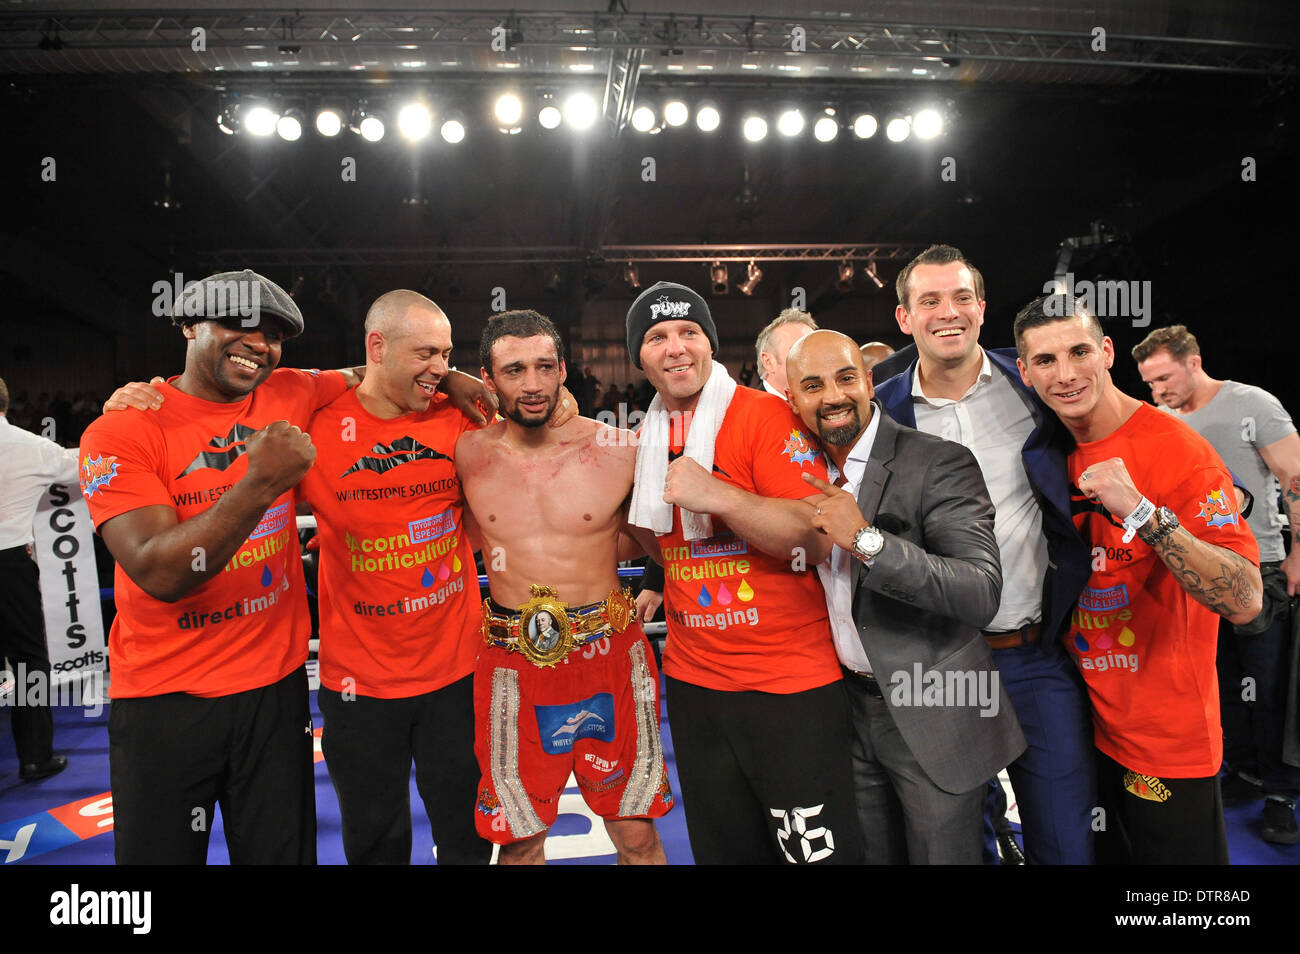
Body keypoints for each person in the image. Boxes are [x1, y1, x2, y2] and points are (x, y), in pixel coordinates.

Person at [79, 270, 351, 864]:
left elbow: (376, 376)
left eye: (274, 334)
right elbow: (159, 571)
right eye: (238, 324)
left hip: (274, 695)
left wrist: (456, 381)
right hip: (165, 702)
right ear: (187, 325)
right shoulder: (121, 430)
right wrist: (260, 483)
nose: (260, 343)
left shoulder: (289, 391)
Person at [1014, 294, 1262, 864]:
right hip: (1084, 730)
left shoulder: (1177, 450)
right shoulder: (1048, 453)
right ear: (1024, 373)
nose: (1067, 374)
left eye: (1079, 352)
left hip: (1166, 741)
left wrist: (1144, 515)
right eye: (1045, 361)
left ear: (1106, 352)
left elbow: (1247, 599)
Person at [872, 244, 1097, 864]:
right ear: (904, 318)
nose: (948, 313)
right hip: (936, 665)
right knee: (957, 846)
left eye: (961, 297)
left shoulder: (1036, 384)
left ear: (982, 306)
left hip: (1034, 653)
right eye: (930, 301)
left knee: (1065, 841)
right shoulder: (876, 408)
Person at [625, 281, 862, 865]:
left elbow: (814, 536)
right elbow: (671, 553)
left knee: (815, 856)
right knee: (726, 850)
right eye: (657, 337)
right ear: (640, 356)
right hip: (695, 686)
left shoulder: (764, 417)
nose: (675, 348)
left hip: (789, 686)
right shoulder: (644, 439)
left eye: (689, 333)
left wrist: (721, 497)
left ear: (712, 344)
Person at [785, 329, 1025, 863]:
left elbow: (978, 590)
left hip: (933, 705)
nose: (833, 396)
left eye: (847, 378)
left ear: (870, 381)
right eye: (813, 385)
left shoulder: (938, 460)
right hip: (844, 709)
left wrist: (867, 540)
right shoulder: (794, 474)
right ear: (792, 400)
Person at [456, 309, 673, 865]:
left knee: (636, 835)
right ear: (488, 378)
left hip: (610, 658)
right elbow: (396, 383)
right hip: (512, 665)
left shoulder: (621, 448)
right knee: (520, 841)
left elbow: (672, 549)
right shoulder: (466, 452)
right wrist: (457, 384)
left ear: (563, 371)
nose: (532, 384)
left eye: (544, 367)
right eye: (514, 370)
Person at [294, 290, 492, 865]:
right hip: (359, 687)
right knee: (374, 841)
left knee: (467, 833)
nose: (439, 367)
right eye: (425, 352)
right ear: (376, 348)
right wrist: (150, 396)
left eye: (447, 354)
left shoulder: (460, 416)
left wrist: (450, 377)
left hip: (457, 673)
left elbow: (546, 416)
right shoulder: (314, 427)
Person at [1134, 324, 1300, 844]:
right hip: (1191, 576)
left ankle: (1281, 793)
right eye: (1149, 383)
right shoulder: (1160, 420)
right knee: (1219, 683)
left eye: (1163, 378)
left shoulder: (1252, 404)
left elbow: (1296, 480)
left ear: (1193, 361)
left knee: (1270, 689)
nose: (1157, 391)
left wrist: (1299, 555)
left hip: (1260, 569)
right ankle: (1243, 772)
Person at [0, 375, 76, 782]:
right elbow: (89, 466)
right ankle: (34, 757)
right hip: (10, 564)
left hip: (12, 557)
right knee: (30, 662)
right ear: (6, 404)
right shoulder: (32, 447)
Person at [754, 308, 817, 397]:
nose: (814, 359)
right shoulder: (747, 410)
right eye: (799, 351)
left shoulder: (827, 405)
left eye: (815, 351)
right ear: (768, 362)